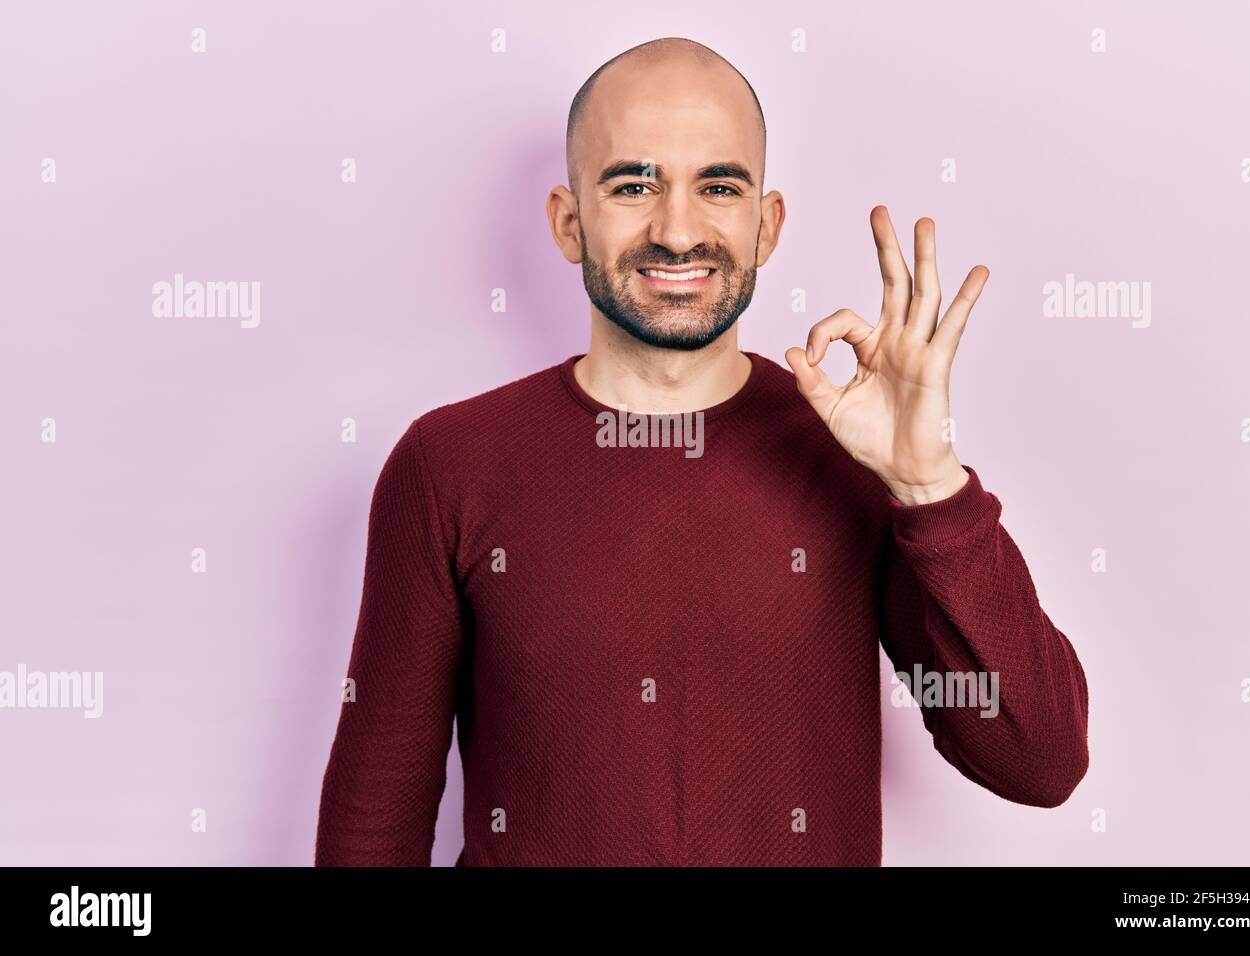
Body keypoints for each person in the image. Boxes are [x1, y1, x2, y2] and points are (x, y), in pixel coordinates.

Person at [314, 36, 1089, 866]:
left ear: (767, 226)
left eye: (718, 186)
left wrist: (930, 483)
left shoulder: (852, 459)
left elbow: (1038, 761)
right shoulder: (447, 464)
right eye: (633, 183)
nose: (677, 231)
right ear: (570, 223)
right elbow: (375, 818)